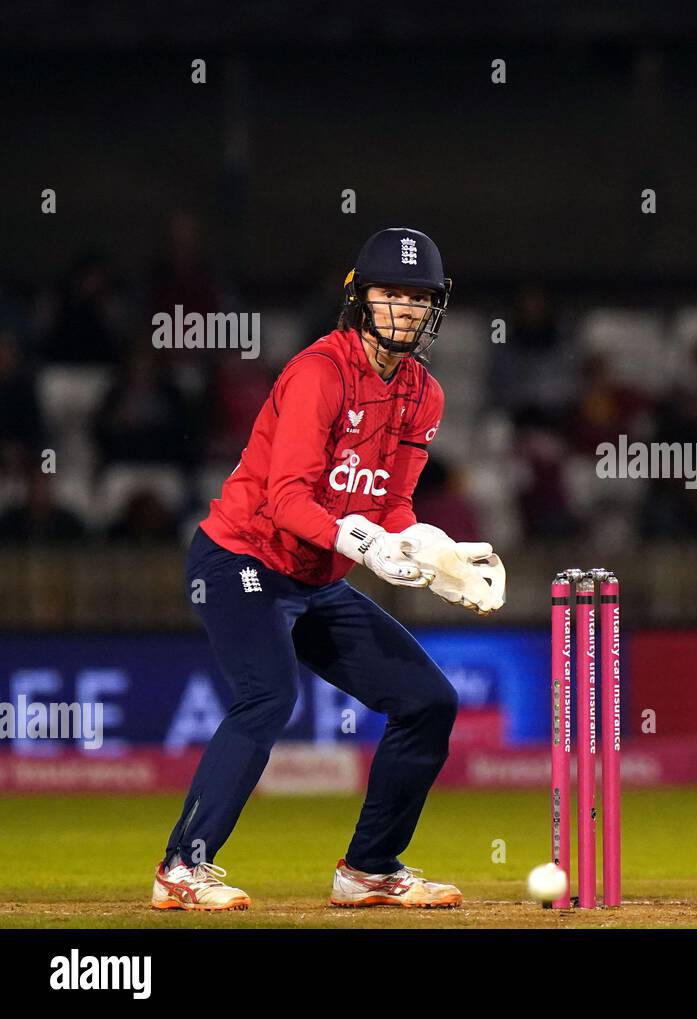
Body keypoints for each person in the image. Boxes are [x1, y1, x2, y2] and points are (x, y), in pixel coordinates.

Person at [152, 228, 505, 911]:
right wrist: (366, 544)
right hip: (241, 558)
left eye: (418, 297)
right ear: (359, 298)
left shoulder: (422, 396)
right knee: (269, 696)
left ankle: (369, 868)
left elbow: (394, 506)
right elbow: (285, 500)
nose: (403, 309)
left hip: (317, 579)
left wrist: (436, 553)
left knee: (429, 701)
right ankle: (182, 867)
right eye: (389, 294)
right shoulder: (319, 372)